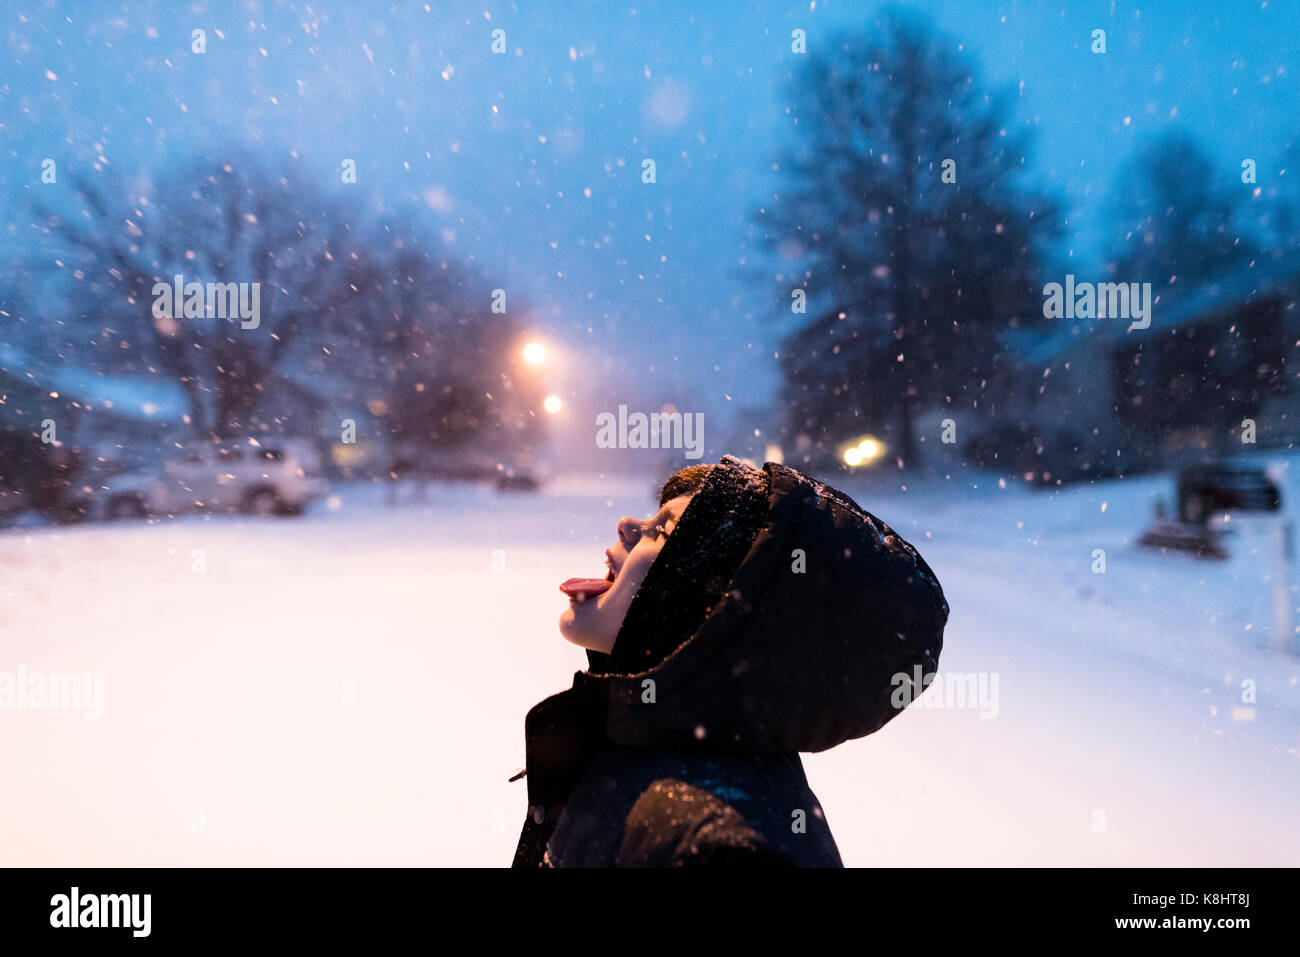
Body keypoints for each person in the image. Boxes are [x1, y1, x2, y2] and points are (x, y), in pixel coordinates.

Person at [511, 453, 948, 867]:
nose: (627, 524)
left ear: (708, 607)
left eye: (662, 530)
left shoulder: (723, 852)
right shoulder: (648, 745)